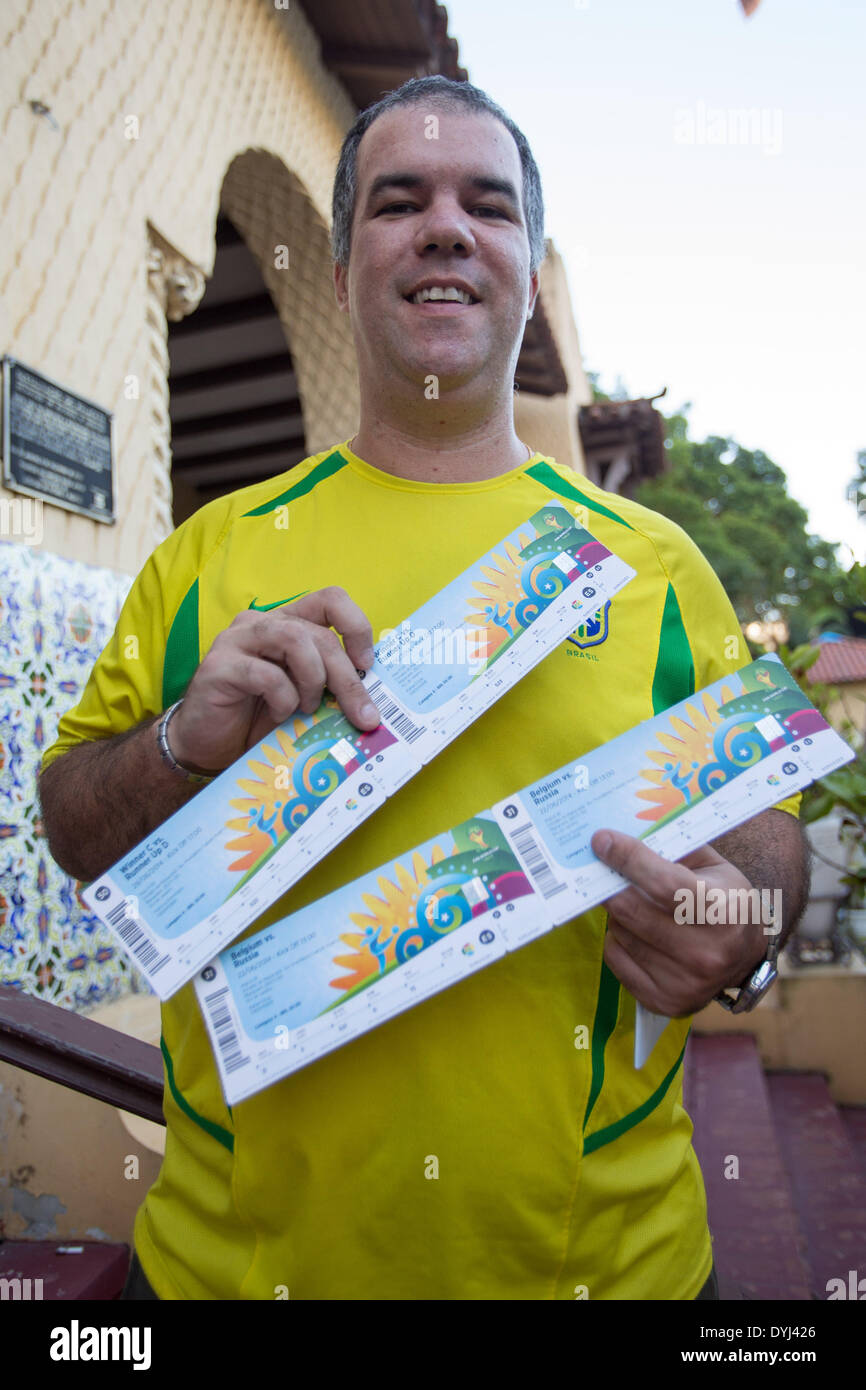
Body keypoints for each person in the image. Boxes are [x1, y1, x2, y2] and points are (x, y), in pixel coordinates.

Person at [39, 75, 808, 1301]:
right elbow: (75, 828)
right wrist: (184, 743)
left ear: (520, 262)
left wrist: (739, 931)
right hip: (226, 1271)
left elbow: (766, 837)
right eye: (400, 202)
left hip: (604, 1270)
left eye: (486, 205)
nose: (446, 227)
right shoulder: (205, 558)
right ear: (342, 262)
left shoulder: (655, 566)